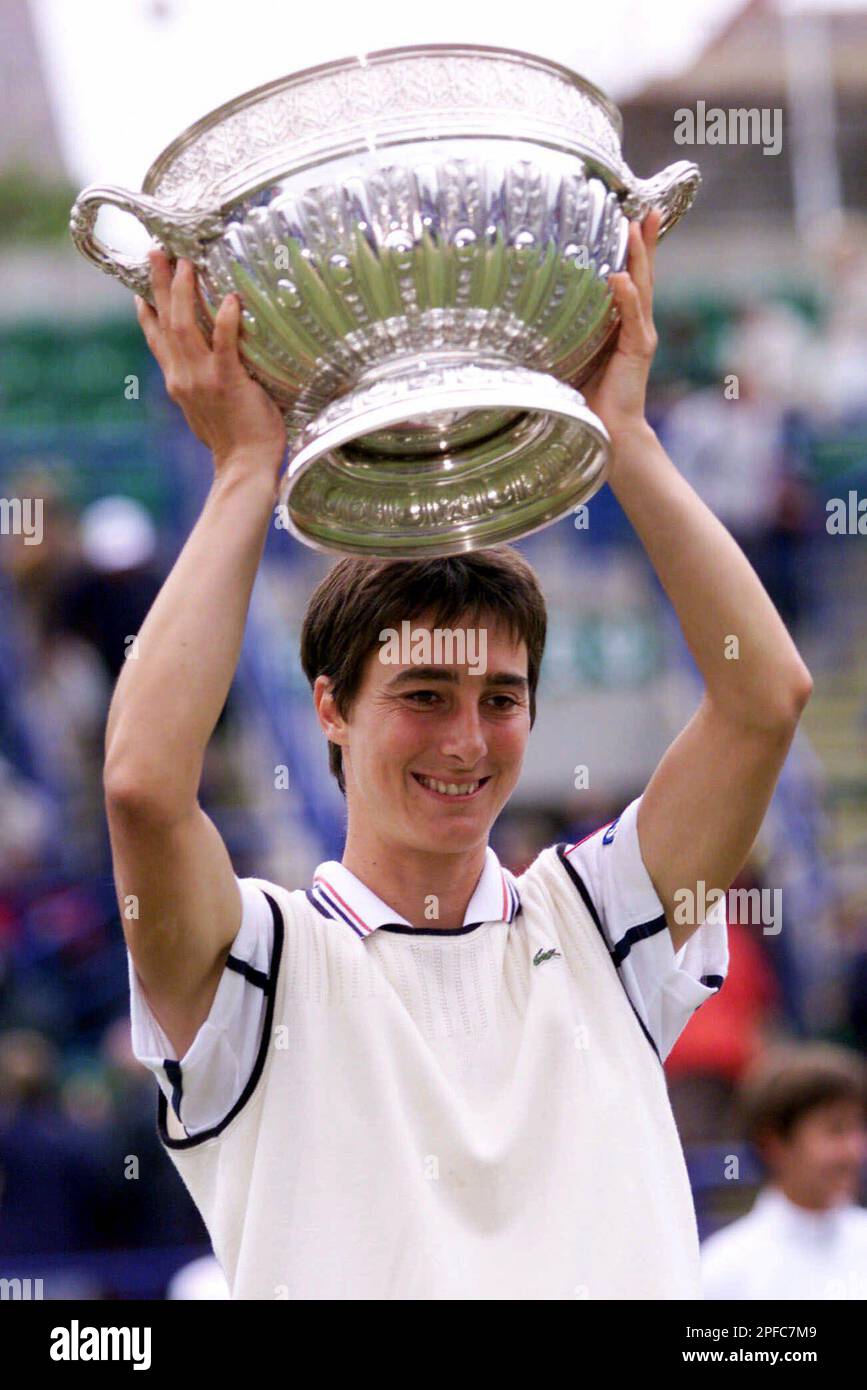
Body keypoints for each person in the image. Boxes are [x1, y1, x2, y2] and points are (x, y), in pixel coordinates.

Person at [105, 211, 813, 1299]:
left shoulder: (599, 925)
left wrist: (622, 435)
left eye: (500, 697)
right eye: (424, 696)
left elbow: (765, 697)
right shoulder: (261, 964)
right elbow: (145, 787)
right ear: (331, 710)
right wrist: (246, 469)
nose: (466, 740)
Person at [701, 1044, 867, 1300]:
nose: (854, 1151)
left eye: (858, 1129)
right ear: (774, 1144)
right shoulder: (724, 1270)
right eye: (836, 1130)